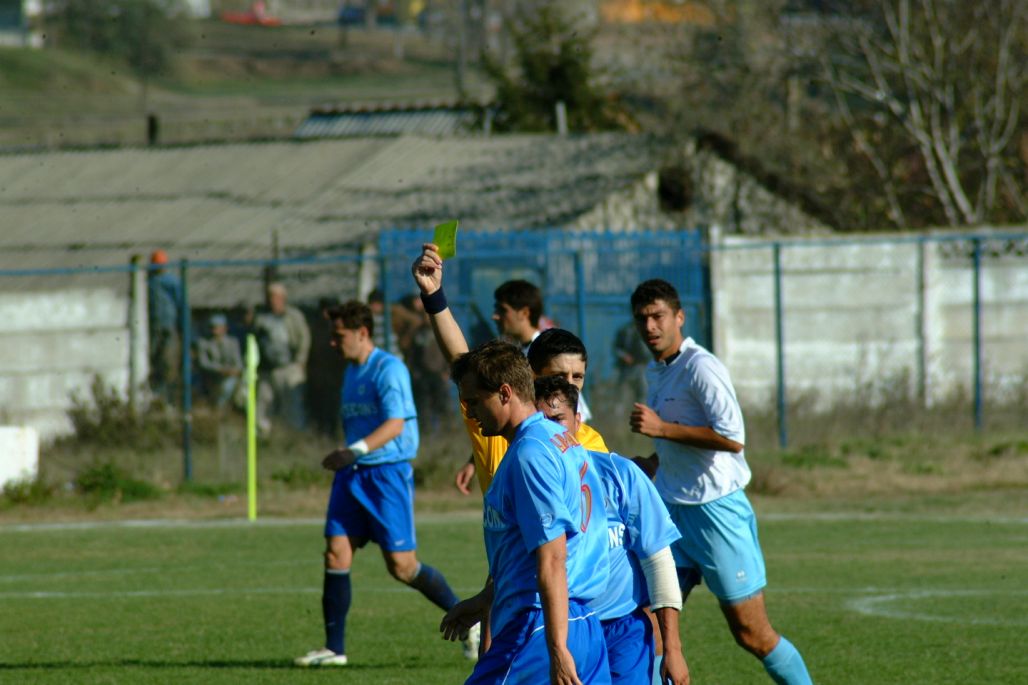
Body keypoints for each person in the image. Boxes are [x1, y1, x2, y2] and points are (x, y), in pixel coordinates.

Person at [628, 279, 813, 685]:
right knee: (649, 626)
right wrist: (654, 461)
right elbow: (679, 436)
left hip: (716, 513)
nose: (650, 327)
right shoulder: (656, 372)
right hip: (671, 512)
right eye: (642, 319)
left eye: (658, 316)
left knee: (751, 634)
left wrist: (661, 428)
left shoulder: (702, 367)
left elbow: (732, 438)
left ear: (679, 317)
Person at [295, 301, 465, 668]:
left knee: (402, 567)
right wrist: (351, 458)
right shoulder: (351, 373)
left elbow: (395, 425)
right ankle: (334, 648)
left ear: (363, 333)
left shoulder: (388, 369)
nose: (333, 343)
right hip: (352, 475)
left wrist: (352, 451)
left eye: (339, 336)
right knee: (335, 553)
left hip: (385, 475)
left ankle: (469, 619)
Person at [438, 340, 611, 685]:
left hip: (538, 625)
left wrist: (557, 649)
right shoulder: (559, 438)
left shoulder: (530, 453)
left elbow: (552, 556)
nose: (470, 413)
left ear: (504, 393)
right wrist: (486, 599)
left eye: (474, 402)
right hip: (583, 621)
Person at [534, 376, 689, 685]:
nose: (549, 432)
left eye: (557, 420)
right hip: (561, 630)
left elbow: (657, 559)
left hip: (623, 630)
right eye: (539, 423)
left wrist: (672, 648)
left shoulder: (621, 474)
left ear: (578, 421)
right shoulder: (528, 485)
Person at [411, 244, 601, 495]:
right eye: (558, 375)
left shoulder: (591, 443)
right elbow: (460, 361)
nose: (568, 384)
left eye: (577, 376)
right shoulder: (500, 432)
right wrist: (434, 296)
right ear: (530, 375)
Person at [253, 282, 311, 434]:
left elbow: (304, 338)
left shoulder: (293, 316)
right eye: (270, 297)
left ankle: (294, 435)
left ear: (283, 298)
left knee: (291, 404)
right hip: (267, 369)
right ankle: (263, 435)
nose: (273, 300)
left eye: (276, 297)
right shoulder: (261, 318)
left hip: (289, 367)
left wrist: (300, 361)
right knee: (264, 403)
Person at [147, 249, 183, 405]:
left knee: (168, 362)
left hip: (168, 326)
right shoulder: (149, 282)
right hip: (153, 326)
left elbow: (181, 303)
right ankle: (156, 396)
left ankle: (167, 398)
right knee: (153, 360)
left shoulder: (171, 281)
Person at [195, 313, 243, 409]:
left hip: (230, 376)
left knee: (231, 385)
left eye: (218, 327)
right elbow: (204, 363)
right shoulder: (204, 343)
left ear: (224, 328)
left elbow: (238, 362)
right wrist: (220, 370)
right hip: (212, 377)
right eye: (213, 327)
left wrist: (234, 370)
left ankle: (224, 407)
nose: (215, 330)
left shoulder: (232, 342)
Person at [613, 319, 650, 413]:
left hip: (642, 367)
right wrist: (624, 356)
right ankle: (619, 422)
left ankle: (641, 416)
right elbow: (617, 348)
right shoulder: (625, 330)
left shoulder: (647, 330)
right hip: (626, 369)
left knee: (643, 395)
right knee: (622, 397)